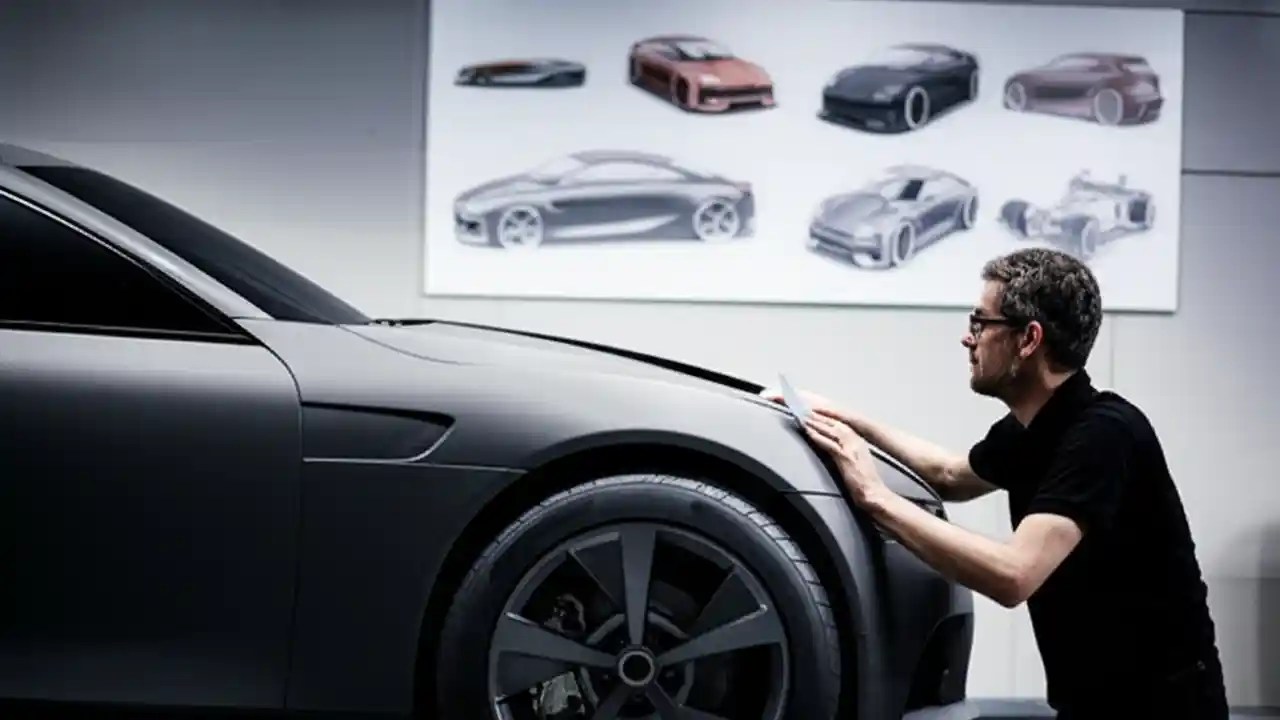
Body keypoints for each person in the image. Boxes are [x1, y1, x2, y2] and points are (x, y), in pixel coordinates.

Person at [768, 248, 1228, 718]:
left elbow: (1014, 574)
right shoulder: (1035, 428)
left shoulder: (1104, 435)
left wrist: (874, 497)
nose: (967, 339)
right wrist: (842, 419)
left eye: (980, 323)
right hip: (1095, 703)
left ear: (1028, 339)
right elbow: (949, 474)